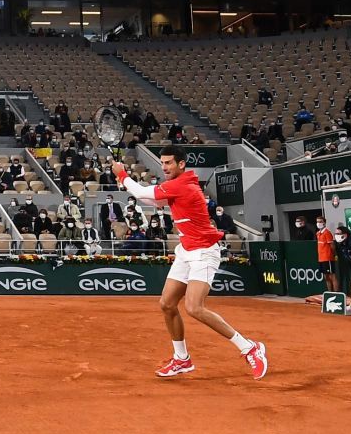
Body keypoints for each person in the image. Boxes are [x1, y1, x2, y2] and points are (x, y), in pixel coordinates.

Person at [114, 147, 268, 381]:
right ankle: (182, 359)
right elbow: (150, 200)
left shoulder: (183, 185)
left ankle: (249, 347)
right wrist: (125, 182)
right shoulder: (179, 185)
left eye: (169, 163)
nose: (164, 167)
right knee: (167, 304)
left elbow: (143, 191)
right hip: (186, 250)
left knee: (194, 307)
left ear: (182, 164)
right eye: (162, 163)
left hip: (204, 252)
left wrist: (123, 175)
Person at [314, 216, 339, 300]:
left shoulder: (327, 233)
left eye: (320, 221)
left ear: (324, 223)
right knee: (326, 277)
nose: (318, 223)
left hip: (328, 258)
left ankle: (336, 295)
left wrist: (334, 255)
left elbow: (332, 246)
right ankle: (330, 294)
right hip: (321, 258)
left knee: (332, 276)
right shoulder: (318, 233)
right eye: (317, 221)